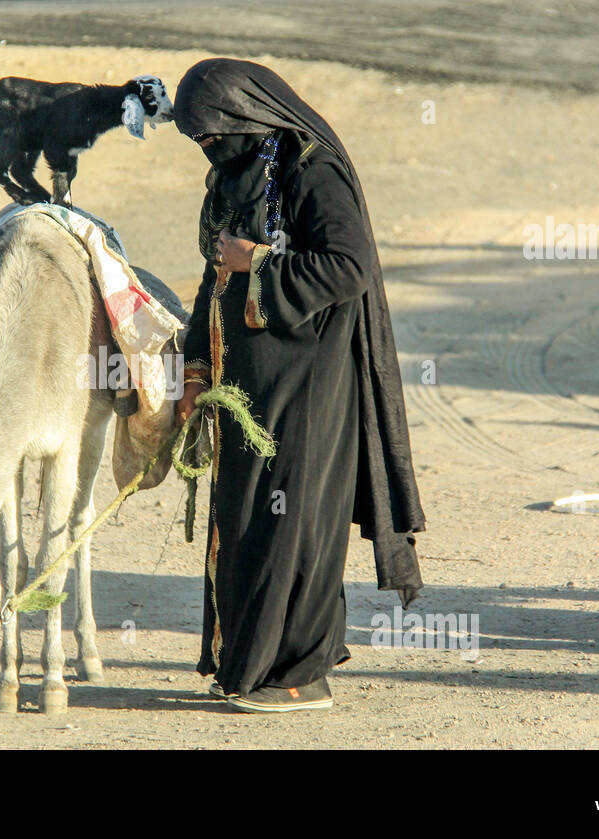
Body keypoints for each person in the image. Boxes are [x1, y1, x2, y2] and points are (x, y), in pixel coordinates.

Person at [172, 58, 426, 712]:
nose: (205, 147)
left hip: (311, 392)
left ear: (240, 116)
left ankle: (301, 671)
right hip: (243, 394)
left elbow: (350, 264)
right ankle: (249, 665)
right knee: (246, 520)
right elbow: (214, 277)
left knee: (296, 525)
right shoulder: (232, 179)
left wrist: (259, 260)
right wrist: (194, 369)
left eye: (209, 133)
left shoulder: (312, 172)